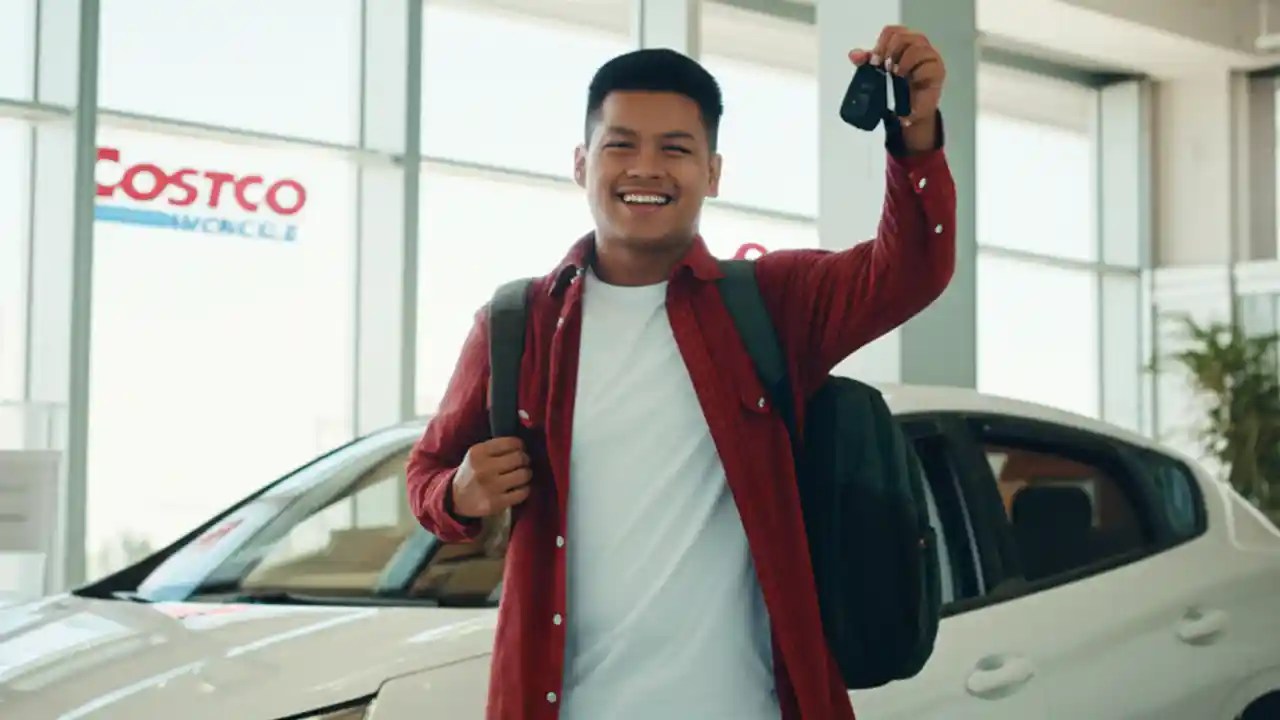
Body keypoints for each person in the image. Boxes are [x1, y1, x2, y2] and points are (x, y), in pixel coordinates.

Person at [407, 24, 956, 720]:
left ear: (713, 172)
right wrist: (458, 493)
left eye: (675, 149)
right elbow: (427, 472)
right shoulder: (517, 324)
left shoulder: (772, 302)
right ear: (582, 163)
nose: (646, 168)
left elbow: (908, 273)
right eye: (620, 146)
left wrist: (915, 133)